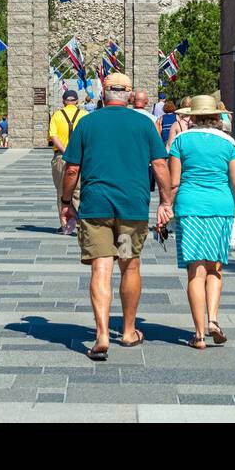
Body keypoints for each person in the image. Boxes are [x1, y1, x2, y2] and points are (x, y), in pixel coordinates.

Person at [60, 72, 170, 361]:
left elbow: (71, 169)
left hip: (97, 210)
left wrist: (66, 201)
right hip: (131, 211)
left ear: (103, 93)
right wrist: (165, 201)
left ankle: (102, 334)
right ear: (130, 94)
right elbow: (159, 164)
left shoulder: (87, 123)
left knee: (101, 269)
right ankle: (130, 331)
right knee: (129, 266)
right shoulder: (144, 124)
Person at [159, 95, 235, 349]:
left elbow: (175, 182)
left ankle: (199, 334)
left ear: (191, 117)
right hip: (221, 208)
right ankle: (213, 319)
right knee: (215, 267)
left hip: (189, 208)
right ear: (216, 118)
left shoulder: (181, 141)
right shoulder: (228, 143)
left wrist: (165, 208)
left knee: (196, 270)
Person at [48, 89, 86, 233]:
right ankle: (81, 223)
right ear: (76, 102)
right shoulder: (84, 115)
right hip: (80, 157)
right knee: (79, 191)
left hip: (60, 157)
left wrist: (66, 152)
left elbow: (53, 136)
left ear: (64, 101)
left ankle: (65, 225)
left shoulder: (57, 115)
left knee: (61, 191)